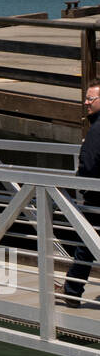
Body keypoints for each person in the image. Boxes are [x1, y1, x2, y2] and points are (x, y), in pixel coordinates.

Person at [58, 81, 100, 307]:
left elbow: (90, 165)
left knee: (86, 245)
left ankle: (72, 291)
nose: (86, 103)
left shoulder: (96, 130)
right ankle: (72, 289)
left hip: (97, 198)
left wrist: (81, 182)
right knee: (87, 245)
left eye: (90, 99)